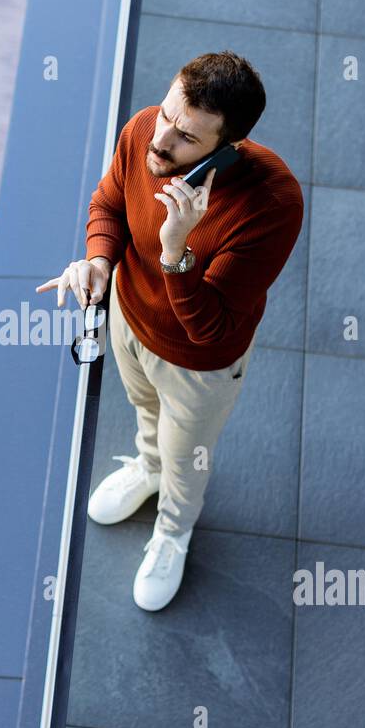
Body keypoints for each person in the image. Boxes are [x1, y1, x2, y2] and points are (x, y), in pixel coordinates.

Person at [35, 50, 303, 612]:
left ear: (224, 151)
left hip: (198, 361)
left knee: (189, 454)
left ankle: (174, 530)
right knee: (144, 413)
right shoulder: (143, 131)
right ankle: (147, 468)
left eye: (186, 138)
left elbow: (210, 327)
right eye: (167, 116)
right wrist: (100, 262)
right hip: (131, 319)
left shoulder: (271, 205)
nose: (162, 140)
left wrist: (175, 249)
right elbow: (109, 203)